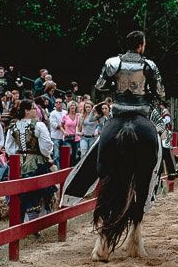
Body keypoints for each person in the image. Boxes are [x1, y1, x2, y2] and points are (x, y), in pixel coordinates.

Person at [61, 30, 165, 209]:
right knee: (164, 133)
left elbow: (100, 85)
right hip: (142, 110)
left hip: (118, 111)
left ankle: (80, 184)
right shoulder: (149, 65)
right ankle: (172, 170)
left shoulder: (113, 63)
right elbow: (160, 91)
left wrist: (115, 85)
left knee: (100, 142)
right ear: (141, 45)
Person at [5, 99, 56, 220]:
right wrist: (47, 154)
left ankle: (20, 220)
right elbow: (46, 146)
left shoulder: (13, 126)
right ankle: (34, 222)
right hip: (36, 161)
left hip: (18, 163)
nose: (36, 110)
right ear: (26, 111)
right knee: (39, 191)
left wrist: (18, 155)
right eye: (33, 108)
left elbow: (9, 148)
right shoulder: (38, 125)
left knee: (20, 193)